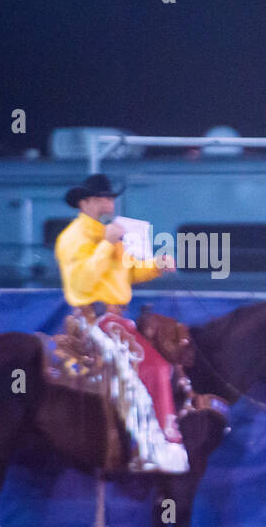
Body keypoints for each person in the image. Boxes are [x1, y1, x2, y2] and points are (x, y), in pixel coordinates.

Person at [53, 173, 187, 473]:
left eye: (111, 196)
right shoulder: (73, 238)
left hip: (117, 317)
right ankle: (156, 446)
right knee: (155, 366)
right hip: (94, 317)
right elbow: (83, 280)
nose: (111, 201)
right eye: (105, 197)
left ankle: (149, 443)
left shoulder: (108, 234)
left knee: (159, 361)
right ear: (86, 202)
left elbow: (127, 273)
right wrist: (107, 245)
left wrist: (155, 267)